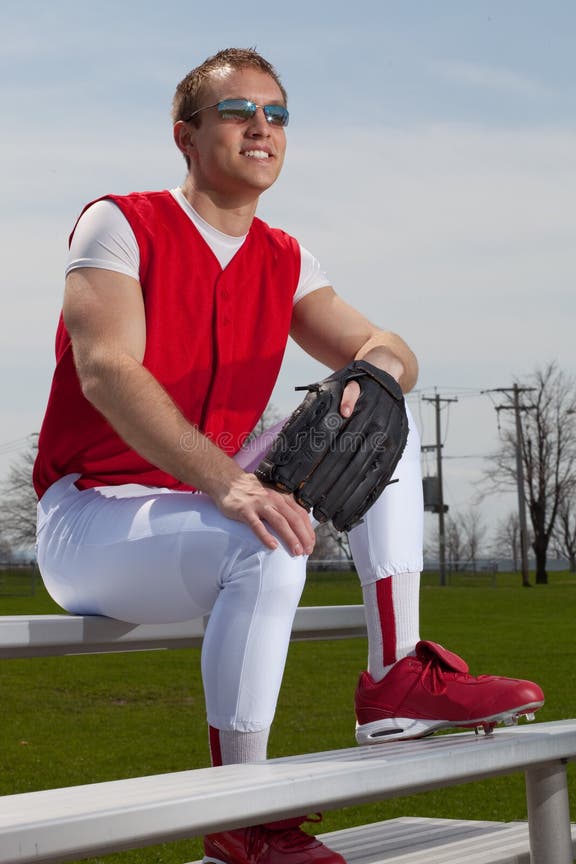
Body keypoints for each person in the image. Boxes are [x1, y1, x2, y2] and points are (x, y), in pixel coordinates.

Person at [33, 48, 544, 864]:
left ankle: (394, 680)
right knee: (265, 544)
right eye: (237, 112)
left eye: (276, 114)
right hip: (92, 517)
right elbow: (106, 371)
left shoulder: (285, 256)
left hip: (204, 504)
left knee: (382, 417)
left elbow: (391, 347)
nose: (261, 128)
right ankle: (243, 814)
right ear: (186, 135)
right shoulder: (121, 223)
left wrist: (374, 373)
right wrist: (232, 484)